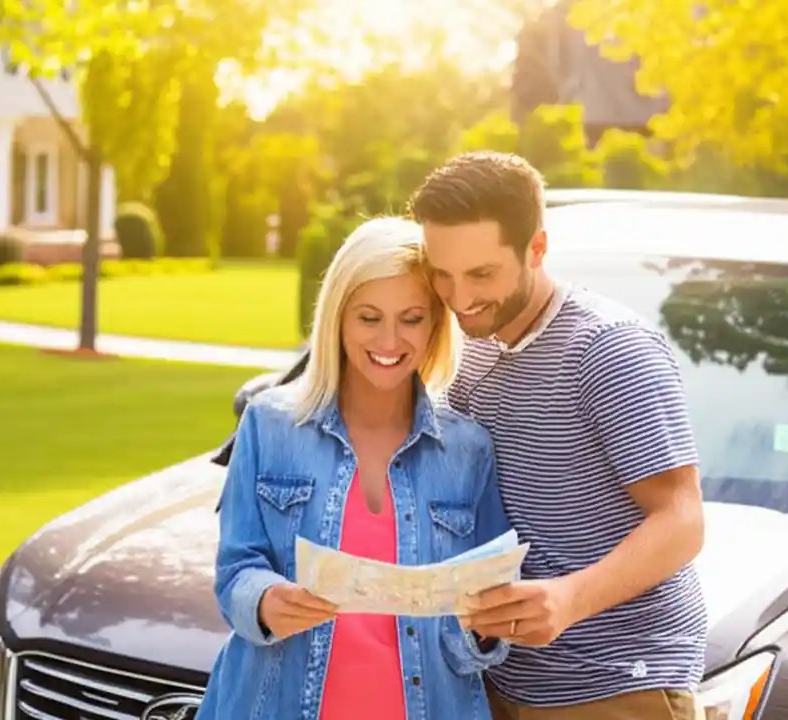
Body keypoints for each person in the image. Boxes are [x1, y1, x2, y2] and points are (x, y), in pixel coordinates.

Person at [410, 151, 708, 720]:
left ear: (536, 250)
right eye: (441, 273)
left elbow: (682, 519)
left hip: (616, 686)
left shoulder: (609, 351)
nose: (458, 296)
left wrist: (570, 599)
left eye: (481, 274)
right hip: (497, 681)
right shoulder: (463, 343)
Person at [198, 216, 513, 720]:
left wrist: (484, 623)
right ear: (338, 319)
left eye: (411, 318)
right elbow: (236, 571)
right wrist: (265, 600)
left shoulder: (468, 451)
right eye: (369, 317)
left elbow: (477, 633)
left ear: (435, 324)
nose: (390, 340)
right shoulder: (270, 425)